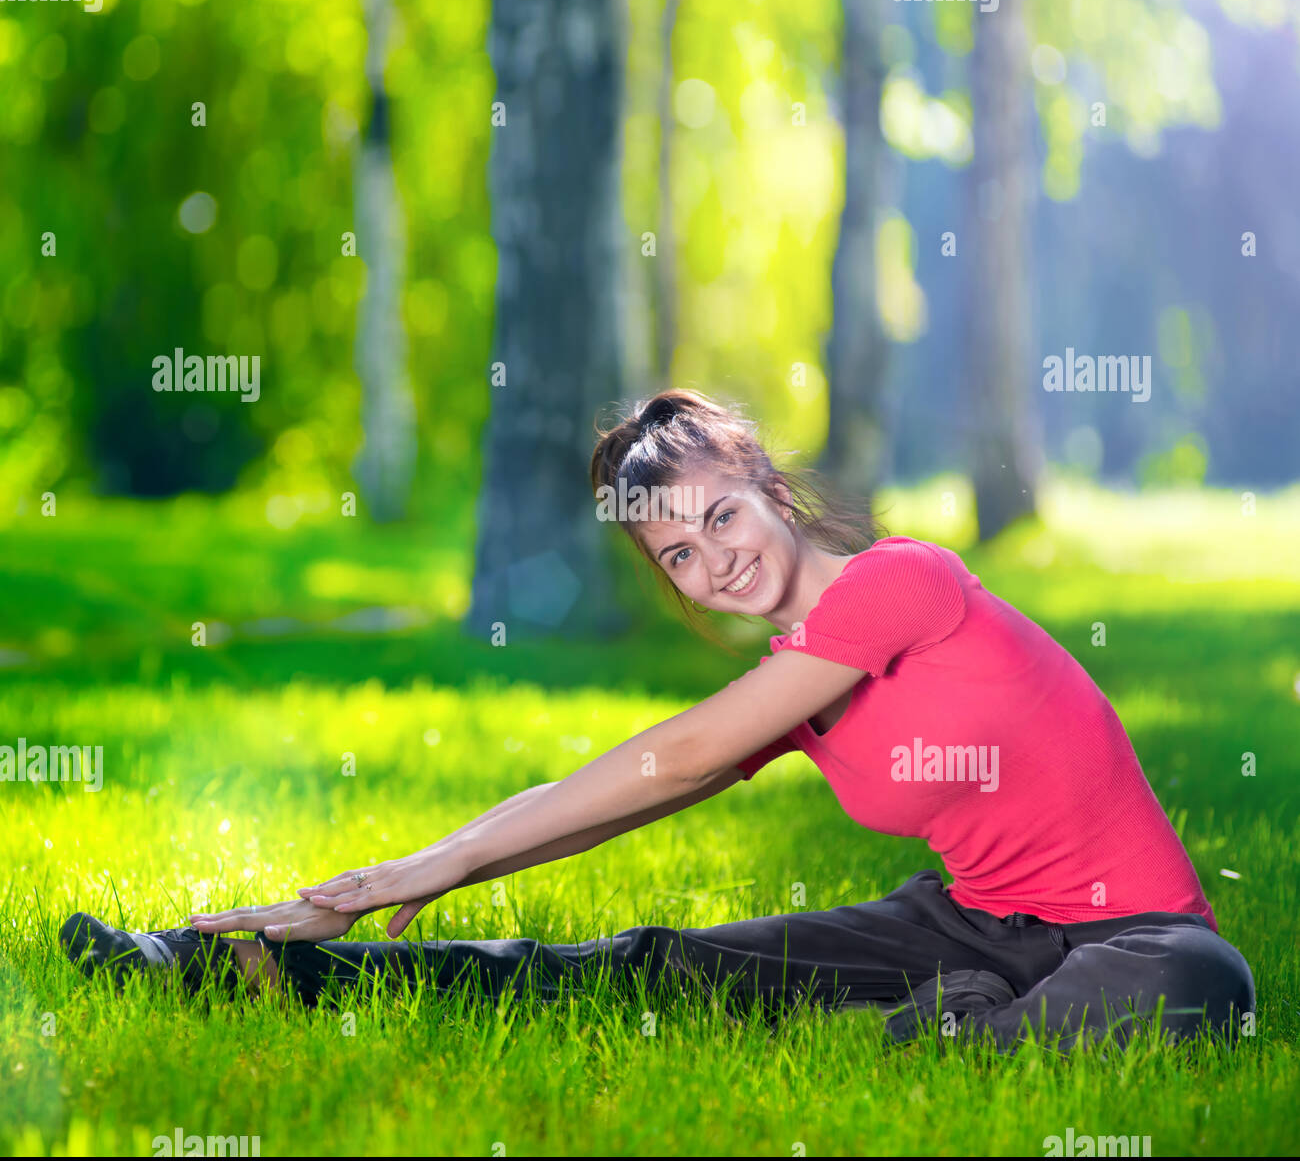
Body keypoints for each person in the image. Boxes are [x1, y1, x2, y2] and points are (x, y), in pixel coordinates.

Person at [62, 389, 1255, 1052]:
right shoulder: (792, 682)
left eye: (723, 519)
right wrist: (410, 876)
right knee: (655, 967)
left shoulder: (900, 582)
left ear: (770, 491)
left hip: (1137, 938)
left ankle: (945, 1031)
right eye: (677, 552)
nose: (714, 560)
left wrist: (440, 859)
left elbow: (676, 749)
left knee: (1202, 983)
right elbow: (623, 793)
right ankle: (257, 970)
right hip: (962, 926)